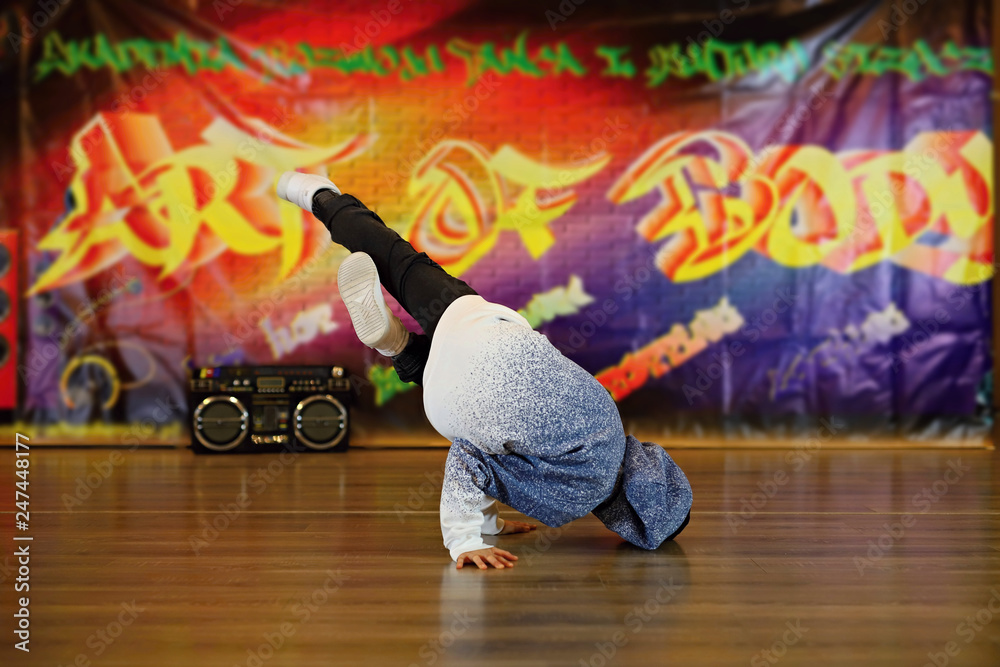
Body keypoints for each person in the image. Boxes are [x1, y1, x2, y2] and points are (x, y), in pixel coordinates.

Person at [276, 171, 693, 570]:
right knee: (476, 407)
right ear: (623, 517)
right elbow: (477, 460)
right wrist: (471, 537)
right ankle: (395, 345)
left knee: (394, 258)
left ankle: (320, 196)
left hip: (479, 334)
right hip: (448, 403)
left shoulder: (608, 416)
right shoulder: (569, 504)